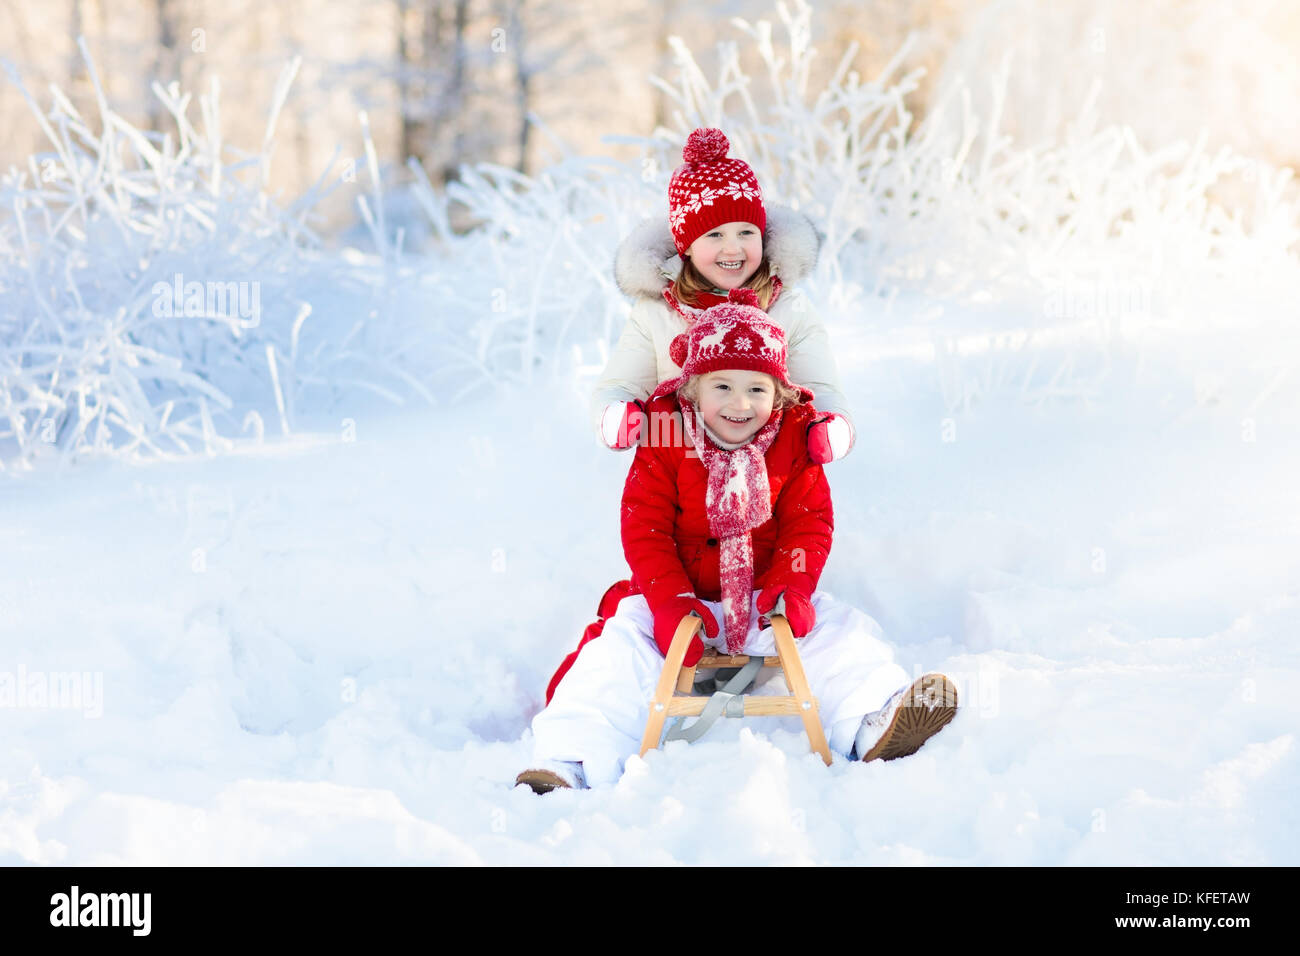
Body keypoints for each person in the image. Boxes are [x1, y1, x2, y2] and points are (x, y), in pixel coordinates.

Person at [516, 291, 957, 792]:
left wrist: (792, 586)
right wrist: (668, 601)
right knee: (615, 653)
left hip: (762, 600)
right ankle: (570, 758)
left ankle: (874, 716)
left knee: (839, 633)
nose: (740, 404)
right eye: (722, 386)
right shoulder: (667, 436)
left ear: (780, 392)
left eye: (756, 389)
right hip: (676, 604)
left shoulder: (793, 440)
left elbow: (808, 523)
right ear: (693, 389)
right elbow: (646, 528)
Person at [543, 127, 855, 703]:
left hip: (769, 493)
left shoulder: (787, 306)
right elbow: (619, 379)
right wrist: (620, 413)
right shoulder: (657, 314)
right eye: (714, 233)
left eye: (746, 232)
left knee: (839, 636)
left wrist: (825, 424)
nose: (733, 247)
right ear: (686, 245)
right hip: (680, 478)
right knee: (625, 639)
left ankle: (872, 713)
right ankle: (576, 739)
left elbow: (819, 381)